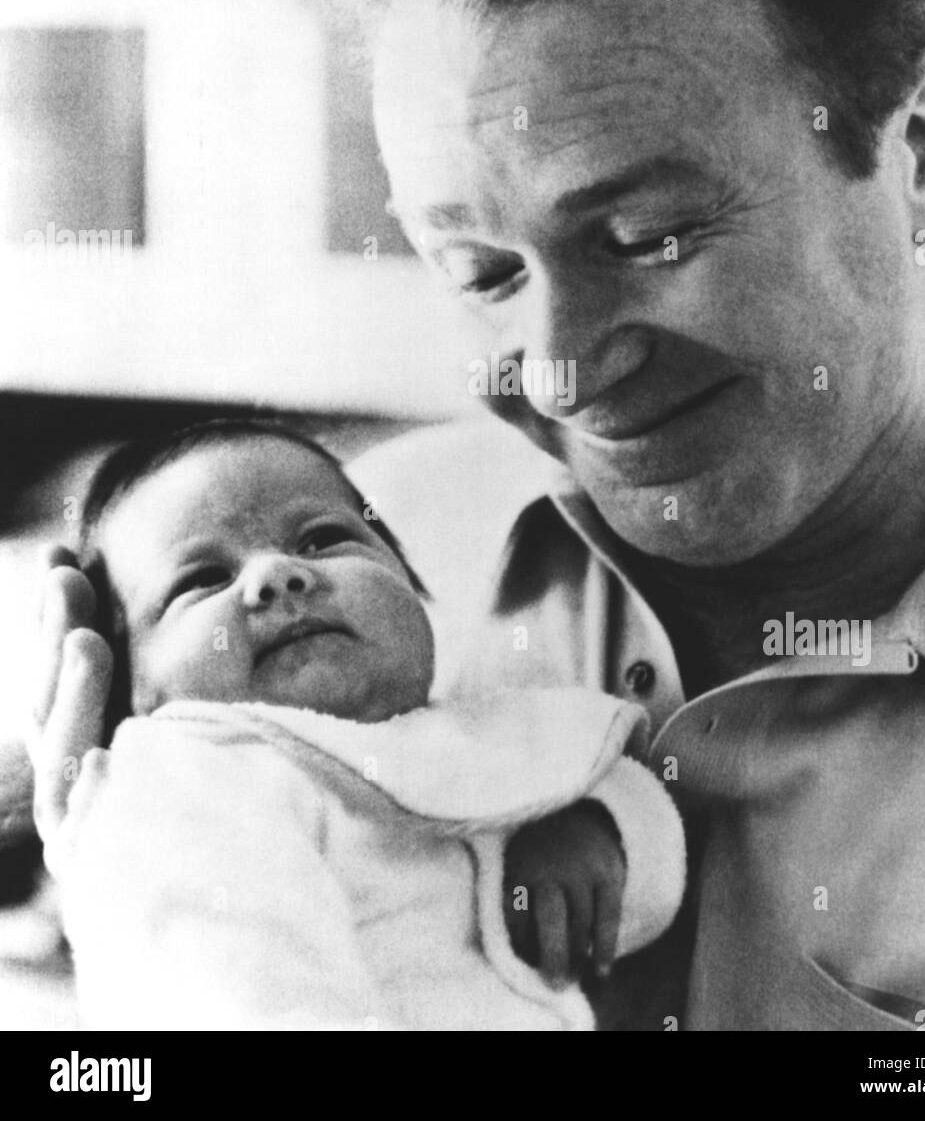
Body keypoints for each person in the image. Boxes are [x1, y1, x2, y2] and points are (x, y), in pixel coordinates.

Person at [31, 0, 925, 1030]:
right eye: (479, 266)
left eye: (644, 237)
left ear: (922, 149)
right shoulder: (357, 554)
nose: (561, 366)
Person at [47, 418, 685, 1030]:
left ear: (414, 593)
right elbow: (229, 984)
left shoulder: (476, 729)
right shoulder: (183, 777)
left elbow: (646, 887)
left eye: (322, 539)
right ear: (129, 693)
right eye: (203, 579)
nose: (276, 574)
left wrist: (596, 826)